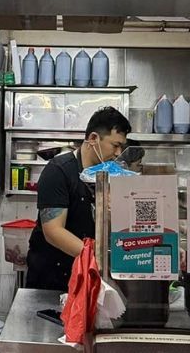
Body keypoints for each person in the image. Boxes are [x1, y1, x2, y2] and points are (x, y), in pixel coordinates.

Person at [25, 106, 131, 292]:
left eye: (121, 147)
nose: (118, 153)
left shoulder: (108, 176)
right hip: (53, 281)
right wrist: (97, 258)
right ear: (93, 139)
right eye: (115, 145)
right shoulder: (59, 170)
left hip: (87, 276)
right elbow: (53, 231)